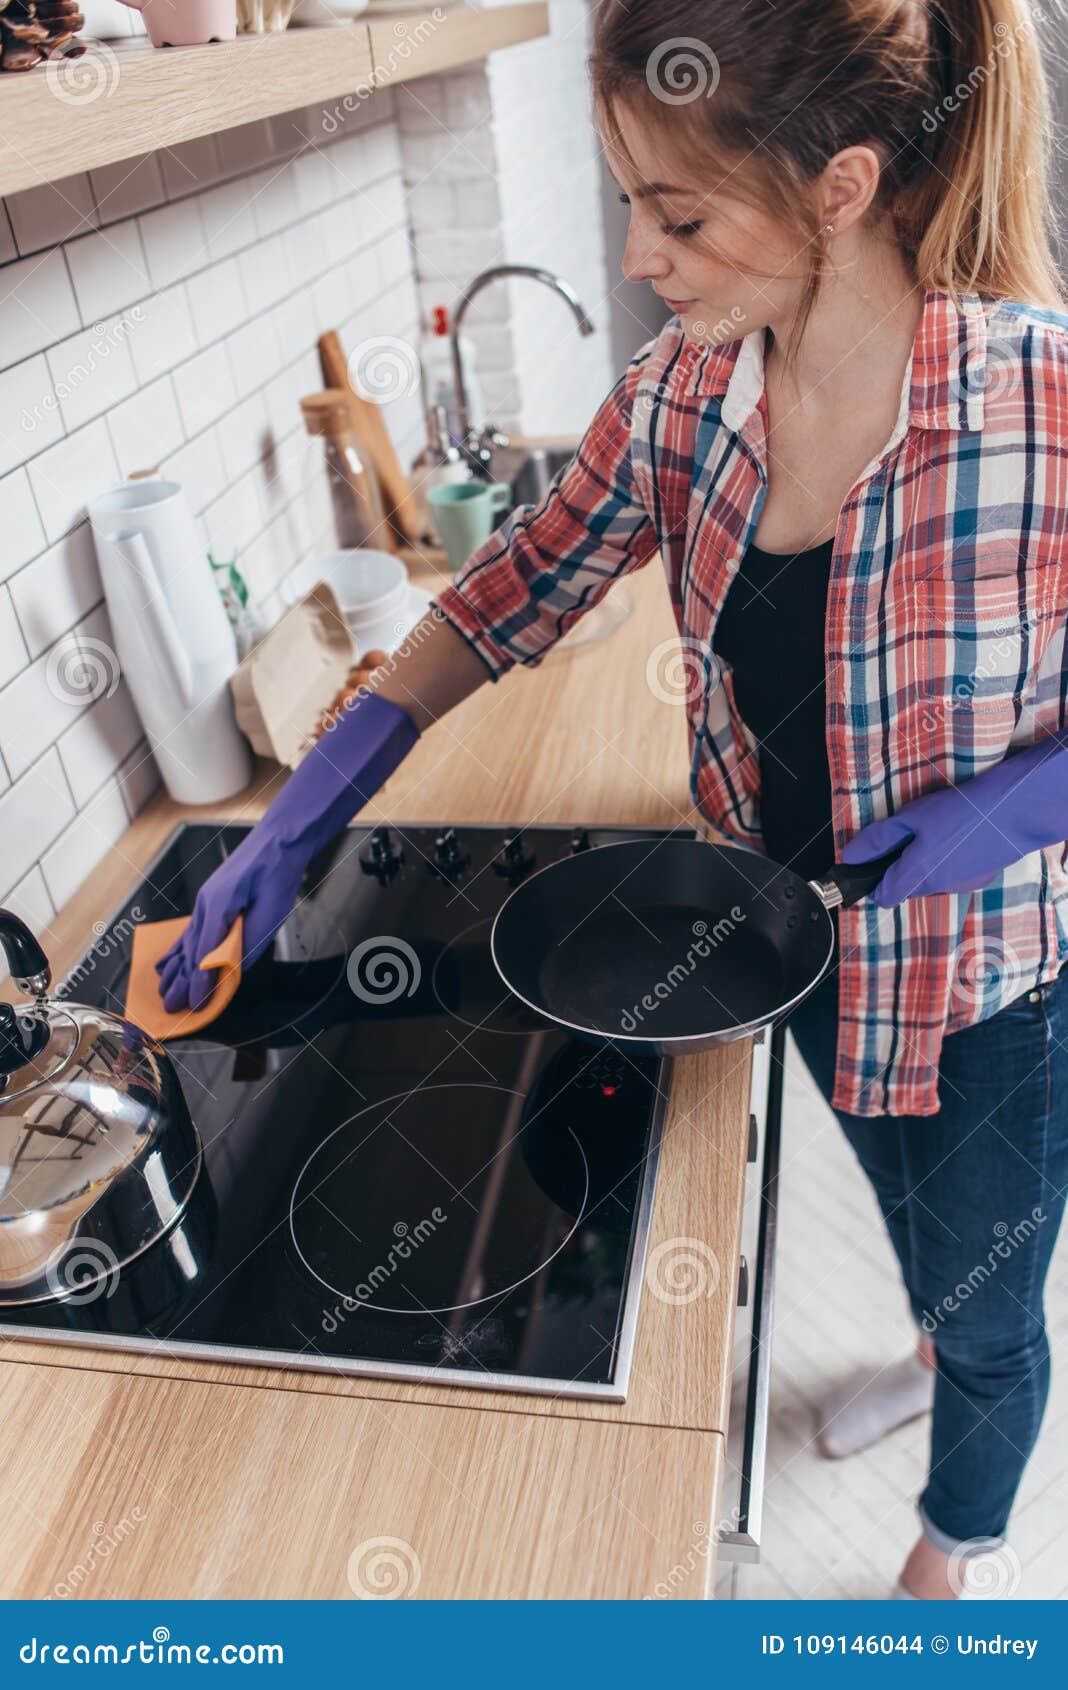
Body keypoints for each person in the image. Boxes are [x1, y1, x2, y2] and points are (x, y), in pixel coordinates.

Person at [159, 0, 1068, 1599]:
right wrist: (296, 818)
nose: (642, 256)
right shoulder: (678, 402)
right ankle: (927, 1340)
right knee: (891, 1191)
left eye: (681, 212)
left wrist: (1016, 806)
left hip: (987, 976)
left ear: (842, 187)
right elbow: (499, 594)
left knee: (997, 1295)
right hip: (783, 945)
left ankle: (952, 1547)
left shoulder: (1039, 406)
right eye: (633, 202)